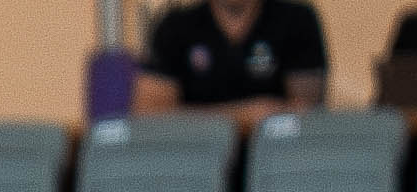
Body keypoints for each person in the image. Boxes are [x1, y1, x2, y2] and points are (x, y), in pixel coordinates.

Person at [140, 0, 335, 109]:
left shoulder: (297, 21)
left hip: (275, 161)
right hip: (195, 160)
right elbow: (153, 113)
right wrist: (242, 118)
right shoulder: (175, 26)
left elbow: (304, 111)